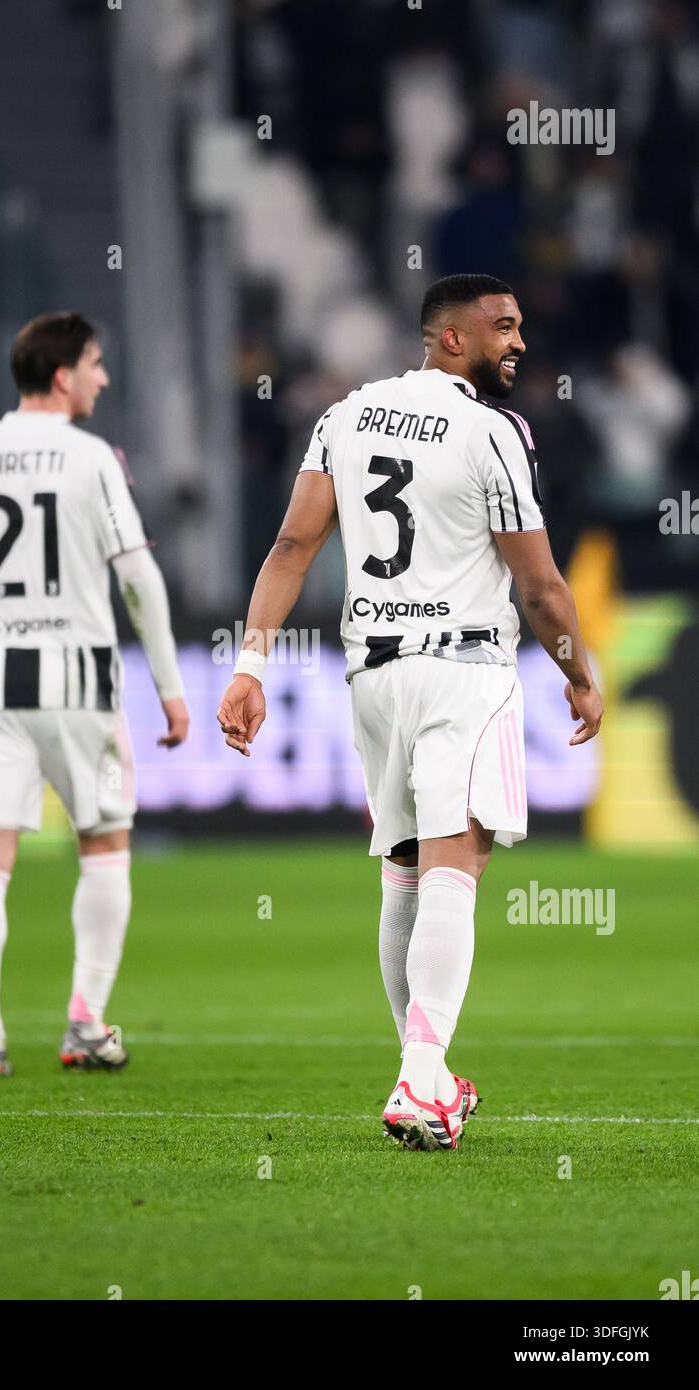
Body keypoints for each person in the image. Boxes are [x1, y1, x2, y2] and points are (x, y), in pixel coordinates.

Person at [217, 274, 603, 1151]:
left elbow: (291, 545)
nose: (520, 343)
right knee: (454, 875)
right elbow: (539, 585)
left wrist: (249, 663)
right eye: (505, 327)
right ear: (452, 338)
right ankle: (418, 1082)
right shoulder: (490, 431)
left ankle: (425, 1079)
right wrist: (579, 672)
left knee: (403, 874)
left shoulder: (344, 416)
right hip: (462, 670)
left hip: (373, 679)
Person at [0, 311, 189, 1077]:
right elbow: (138, 576)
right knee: (103, 844)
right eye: (97, 365)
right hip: (78, 688)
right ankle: (85, 1020)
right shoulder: (92, 458)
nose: (104, 379)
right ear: (64, 374)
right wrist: (169, 688)